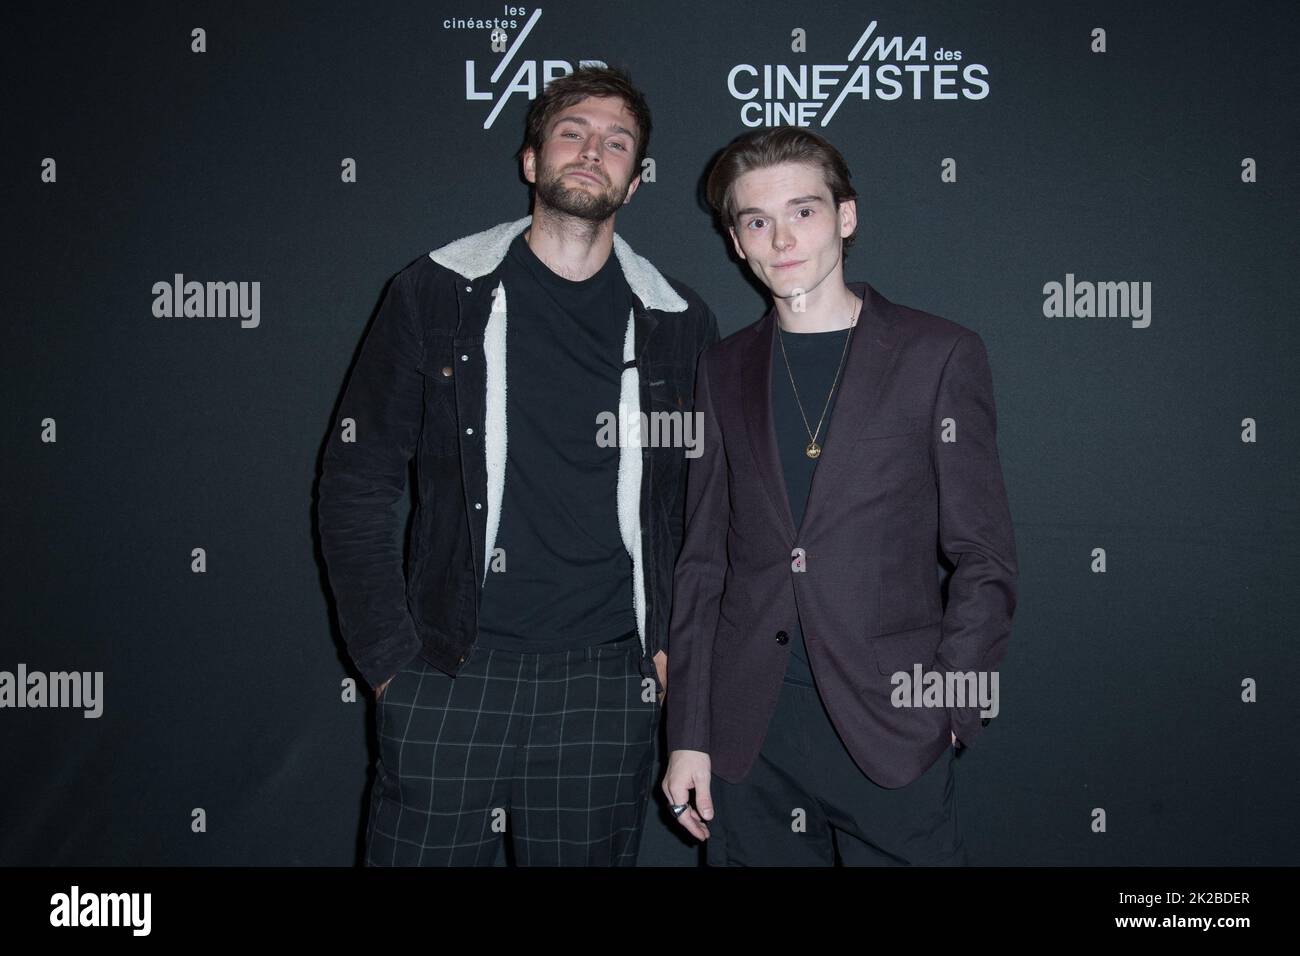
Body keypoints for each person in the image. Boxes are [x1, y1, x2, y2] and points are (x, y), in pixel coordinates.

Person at [318, 65, 718, 866]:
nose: (591, 150)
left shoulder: (677, 320)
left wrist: (674, 645)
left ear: (636, 182)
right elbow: (355, 482)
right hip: (451, 668)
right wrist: (391, 664)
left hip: (609, 685)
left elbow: (694, 505)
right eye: (572, 132)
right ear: (530, 160)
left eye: (616, 142)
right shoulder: (435, 292)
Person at [661, 126, 1017, 865]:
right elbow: (701, 565)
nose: (782, 238)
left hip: (891, 728)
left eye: (804, 211)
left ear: (845, 217)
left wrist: (953, 706)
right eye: (757, 221)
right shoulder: (721, 369)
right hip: (747, 735)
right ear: (735, 241)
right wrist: (689, 733)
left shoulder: (938, 354)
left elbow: (982, 555)